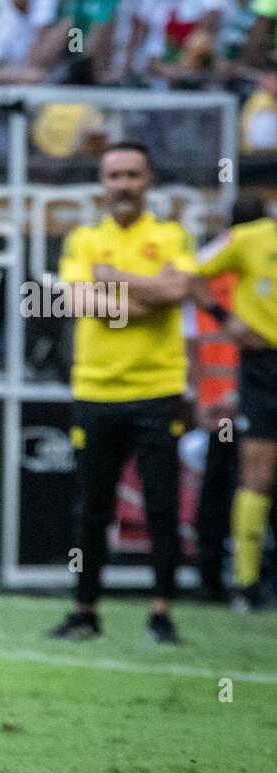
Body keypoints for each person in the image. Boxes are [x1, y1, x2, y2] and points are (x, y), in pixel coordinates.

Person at [49, 141, 196, 644]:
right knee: (92, 508)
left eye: (133, 174)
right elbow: (75, 300)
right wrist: (144, 295)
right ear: (103, 183)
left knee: (161, 506)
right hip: (96, 390)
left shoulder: (173, 234)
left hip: (158, 389)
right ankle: (85, 610)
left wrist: (115, 280)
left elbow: (177, 293)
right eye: (115, 175)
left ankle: (162, 613)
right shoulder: (84, 239)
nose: (124, 184)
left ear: (148, 180)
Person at [193, 193, 277, 612]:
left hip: (230, 388)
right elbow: (191, 271)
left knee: (247, 478)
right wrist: (229, 321)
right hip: (262, 369)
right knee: (255, 477)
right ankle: (245, 582)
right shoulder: (249, 240)